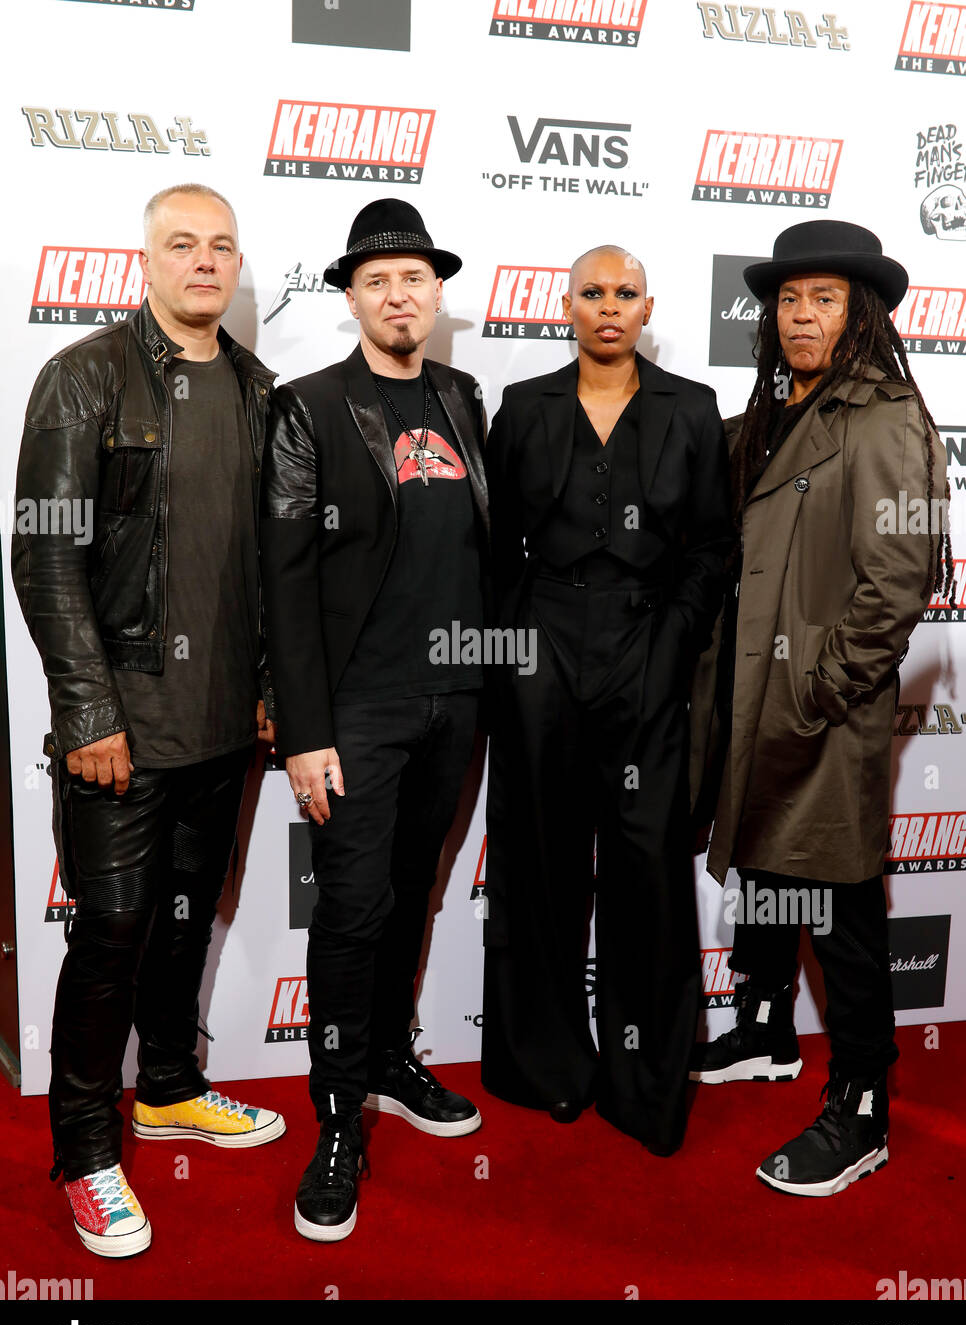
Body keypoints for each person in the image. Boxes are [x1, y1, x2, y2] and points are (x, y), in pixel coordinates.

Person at [12, 184, 284, 1258]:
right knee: (112, 931)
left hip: (224, 725)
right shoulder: (83, 379)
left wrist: (267, 686)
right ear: (148, 260)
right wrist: (85, 707)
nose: (205, 262)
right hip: (119, 725)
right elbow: (45, 552)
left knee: (183, 919)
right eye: (183, 244)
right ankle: (84, 1150)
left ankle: (168, 1086)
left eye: (222, 246)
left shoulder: (260, 389)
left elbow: (271, 562)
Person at [690, 219, 951, 1196]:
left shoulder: (883, 418)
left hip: (820, 712)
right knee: (761, 868)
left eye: (823, 299)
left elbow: (897, 583)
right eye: (788, 300)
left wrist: (820, 691)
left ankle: (864, 1105)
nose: (801, 315)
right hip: (758, 701)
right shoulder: (780, 410)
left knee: (841, 906)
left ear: (863, 313)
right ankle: (764, 1029)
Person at [261, 199, 488, 1243]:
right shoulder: (310, 406)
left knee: (411, 894)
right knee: (352, 911)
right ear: (352, 295)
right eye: (378, 281)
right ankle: (338, 1117)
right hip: (357, 709)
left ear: (436, 293)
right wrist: (304, 730)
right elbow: (286, 581)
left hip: (456, 703)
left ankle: (391, 1058)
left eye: (416, 279)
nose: (400, 296)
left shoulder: (462, 397)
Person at [480, 245, 732, 1156]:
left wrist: (670, 645)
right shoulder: (524, 408)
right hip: (542, 645)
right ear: (568, 306)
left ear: (648, 307)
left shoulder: (692, 410)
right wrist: (515, 655)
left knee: (648, 866)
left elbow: (712, 548)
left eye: (626, 293)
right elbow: (496, 545)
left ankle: (645, 1080)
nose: (610, 307)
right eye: (593, 293)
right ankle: (548, 1064)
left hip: (646, 648)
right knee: (542, 860)